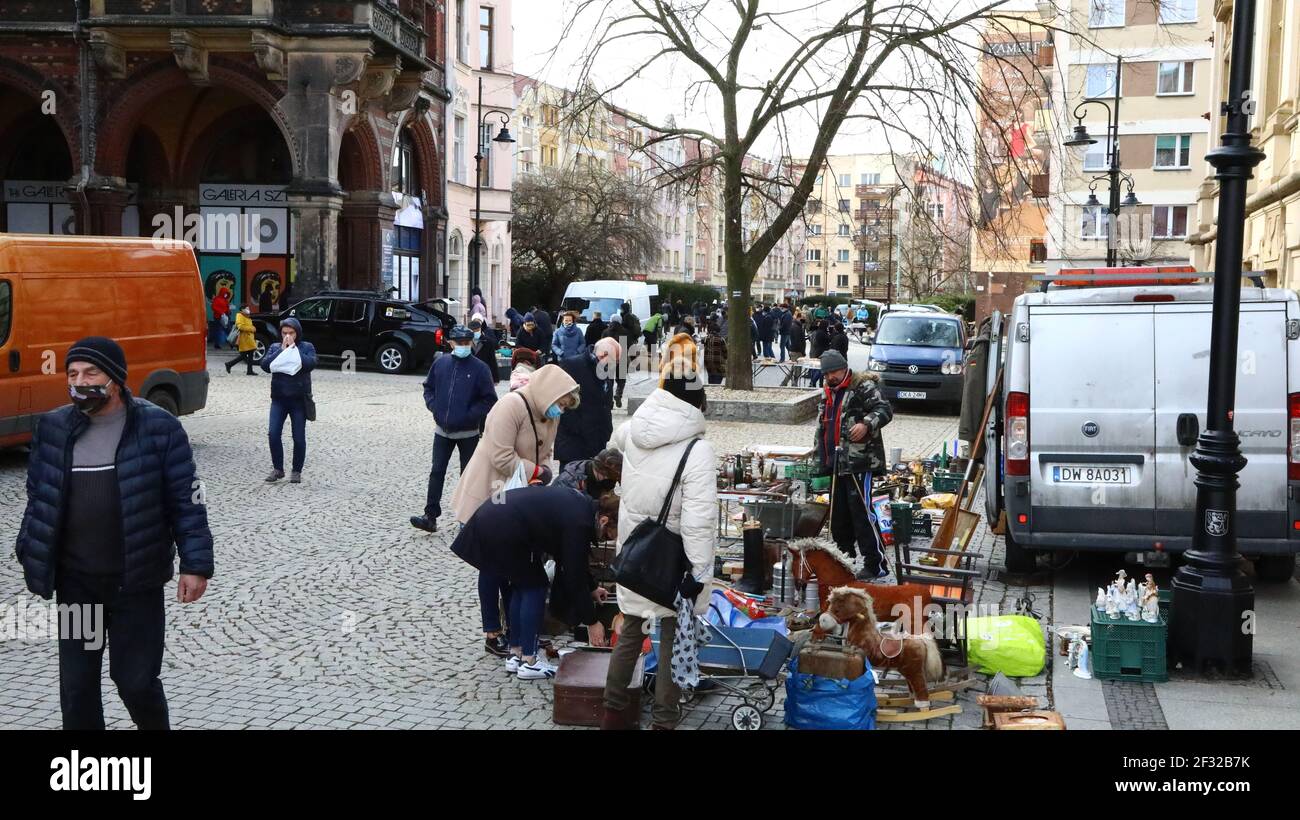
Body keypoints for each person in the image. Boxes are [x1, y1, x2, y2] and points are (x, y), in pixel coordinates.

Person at [15, 337, 214, 729]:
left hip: (135, 583)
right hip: (77, 585)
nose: (80, 382)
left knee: (135, 682)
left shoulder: (159, 427)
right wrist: (30, 549)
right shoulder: (54, 428)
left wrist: (196, 564)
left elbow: (187, 501)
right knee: (77, 687)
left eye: (91, 373)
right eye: (72, 374)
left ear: (116, 378)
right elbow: (40, 496)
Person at [603, 370, 717, 730]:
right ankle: (664, 721)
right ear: (697, 402)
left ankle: (613, 715)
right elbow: (698, 524)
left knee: (631, 630)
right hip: (670, 561)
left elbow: (613, 440)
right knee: (671, 637)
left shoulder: (636, 429)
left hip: (635, 553)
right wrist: (699, 577)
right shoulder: (697, 450)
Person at [451, 364, 581, 656]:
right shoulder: (510, 406)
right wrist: (535, 470)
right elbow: (500, 455)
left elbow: (546, 452)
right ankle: (492, 631)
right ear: (550, 394)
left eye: (564, 406)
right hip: (490, 490)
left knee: (514, 566)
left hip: (521, 497)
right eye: (560, 403)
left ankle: (516, 630)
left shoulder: (548, 415)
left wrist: (543, 471)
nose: (561, 410)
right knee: (492, 566)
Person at [452, 487, 619, 679]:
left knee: (520, 586)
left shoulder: (581, 507)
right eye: (608, 535)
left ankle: (516, 654)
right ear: (604, 520)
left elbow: (572, 561)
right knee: (535, 587)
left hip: (492, 516)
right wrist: (592, 621)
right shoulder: (580, 523)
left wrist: (591, 587)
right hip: (505, 527)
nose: (604, 539)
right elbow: (573, 575)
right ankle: (530, 661)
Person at [814, 350, 894, 580]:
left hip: (859, 460)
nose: (831, 377)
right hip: (836, 462)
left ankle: (875, 564)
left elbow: (884, 410)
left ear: (844, 368)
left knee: (861, 513)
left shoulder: (862, 386)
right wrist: (821, 459)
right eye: (827, 373)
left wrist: (866, 424)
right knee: (839, 516)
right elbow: (824, 425)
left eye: (834, 372)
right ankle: (844, 559)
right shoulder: (828, 391)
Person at [410, 326, 498, 533]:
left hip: (468, 432)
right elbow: (428, 388)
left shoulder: (480, 368)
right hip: (442, 430)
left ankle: (466, 517)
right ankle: (430, 516)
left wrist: (470, 415)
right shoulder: (441, 363)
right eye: (459, 343)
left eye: (467, 343)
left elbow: (489, 399)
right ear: (451, 344)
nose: (463, 346)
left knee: (468, 475)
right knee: (436, 472)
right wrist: (434, 407)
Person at [260, 317, 316, 483]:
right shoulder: (274, 347)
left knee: (298, 437)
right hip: (279, 399)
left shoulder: (307, 347)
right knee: (273, 433)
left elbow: (311, 364)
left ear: (297, 333)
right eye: (285, 333)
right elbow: (265, 365)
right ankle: (278, 469)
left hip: (298, 400)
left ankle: (296, 470)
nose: (288, 336)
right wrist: (282, 351)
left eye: (291, 333)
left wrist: (294, 350)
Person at [555, 338, 617, 469]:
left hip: (597, 444)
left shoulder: (606, 369)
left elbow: (606, 404)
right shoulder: (571, 365)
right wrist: (583, 429)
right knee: (570, 485)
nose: (615, 364)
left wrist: (606, 430)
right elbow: (562, 405)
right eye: (614, 360)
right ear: (603, 355)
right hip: (574, 446)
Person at [554, 447, 623, 498]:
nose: (607, 479)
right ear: (599, 470)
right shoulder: (569, 480)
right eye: (607, 476)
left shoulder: (607, 481)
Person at [604, 316, 633, 408]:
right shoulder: (625, 332)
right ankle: (618, 394)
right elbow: (629, 345)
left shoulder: (606, 332)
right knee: (621, 379)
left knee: (609, 381)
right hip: (622, 357)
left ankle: (609, 402)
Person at [225, 305, 258, 375]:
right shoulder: (239, 316)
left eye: (248, 308)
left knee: (250, 354)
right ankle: (229, 364)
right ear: (242, 310)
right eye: (247, 308)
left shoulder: (247, 316)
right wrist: (252, 328)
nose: (248, 309)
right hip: (244, 339)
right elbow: (240, 326)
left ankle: (250, 370)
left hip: (249, 339)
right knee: (243, 356)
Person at [468, 316, 501, 383]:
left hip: (484, 373)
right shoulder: (466, 341)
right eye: (473, 331)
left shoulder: (487, 341)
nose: (475, 333)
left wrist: (495, 379)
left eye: (477, 330)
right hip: (469, 374)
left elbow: (492, 360)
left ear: (480, 329)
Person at [703, 319, 727, 385]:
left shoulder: (705, 339)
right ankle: (715, 385)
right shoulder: (721, 339)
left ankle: (711, 384)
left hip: (707, 362)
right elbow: (725, 352)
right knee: (718, 379)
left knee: (710, 376)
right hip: (718, 363)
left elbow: (701, 350)